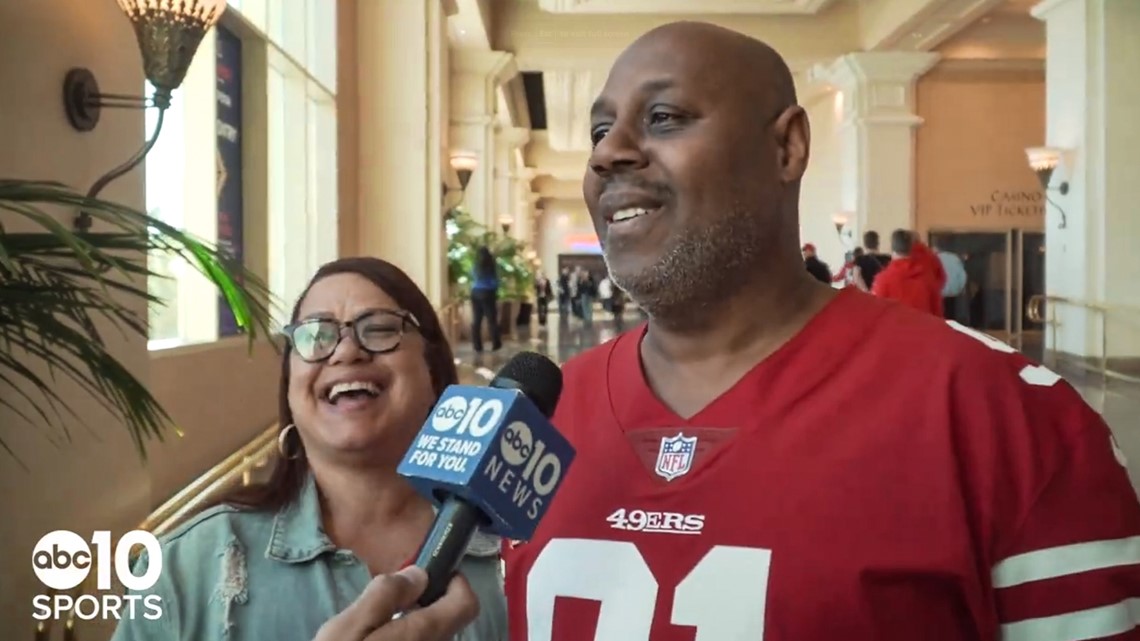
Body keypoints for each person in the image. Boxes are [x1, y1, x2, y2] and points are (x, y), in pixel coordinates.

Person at [503, 21, 1140, 641]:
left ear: (787, 147)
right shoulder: (540, 418)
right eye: (599, 131)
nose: (607, 153)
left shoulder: (1005, 416)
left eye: (664, 117)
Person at [112, 257, 506, 641]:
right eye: (315, 335)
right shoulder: (187, 565)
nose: (346, 351)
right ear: (290, 386)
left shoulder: (512, 559)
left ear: (434, 372)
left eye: (380, 329)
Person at [871, 228, 946, 316]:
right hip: (922, 323)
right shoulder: (928, 277)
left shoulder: (882, 279)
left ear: (891, 248)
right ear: (911, 247)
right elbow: (937, 311)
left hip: (895, 324)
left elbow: (876, 313)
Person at [469, 246, 502, 352]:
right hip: (488, 293)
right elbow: (497, 280)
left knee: (476, 320)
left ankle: (477, 345)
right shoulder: (492, 265)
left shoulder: (476, 265)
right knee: (492, 319)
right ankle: (496, 343)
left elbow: (472, 275)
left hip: (475, 292)